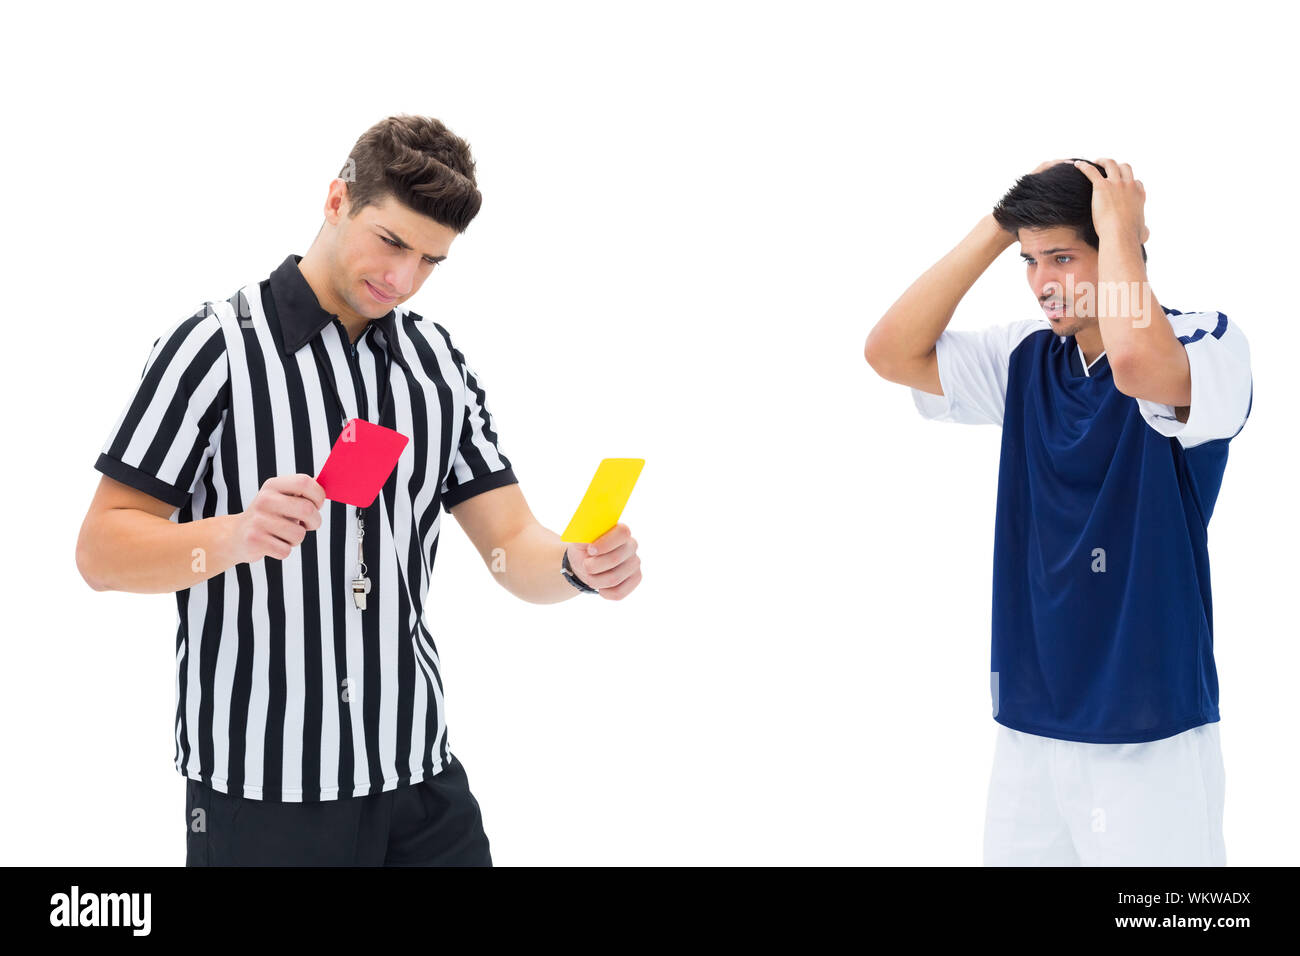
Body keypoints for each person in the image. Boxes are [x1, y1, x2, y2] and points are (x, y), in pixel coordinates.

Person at [75, 113, 643, 866]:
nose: (403, 280)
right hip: (264, 788)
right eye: (393, 242)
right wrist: (233, 535)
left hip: (418, 777)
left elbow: (510, 543)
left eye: (432, 261)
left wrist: (576, 566)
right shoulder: (214, 349)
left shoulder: (437, 365)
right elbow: (101, 551)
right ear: (337, 200)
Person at [864, 158, 1252, 866]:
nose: (1044, 280)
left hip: (1150, 733)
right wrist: (999, 222)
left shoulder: (1206, 342)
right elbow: (890, 352)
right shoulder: (1027, 359)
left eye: (1065, 256)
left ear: (1122, 249)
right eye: (1030, 260)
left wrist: (1121, 228)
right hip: (1031, 731)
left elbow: (1136, 365)